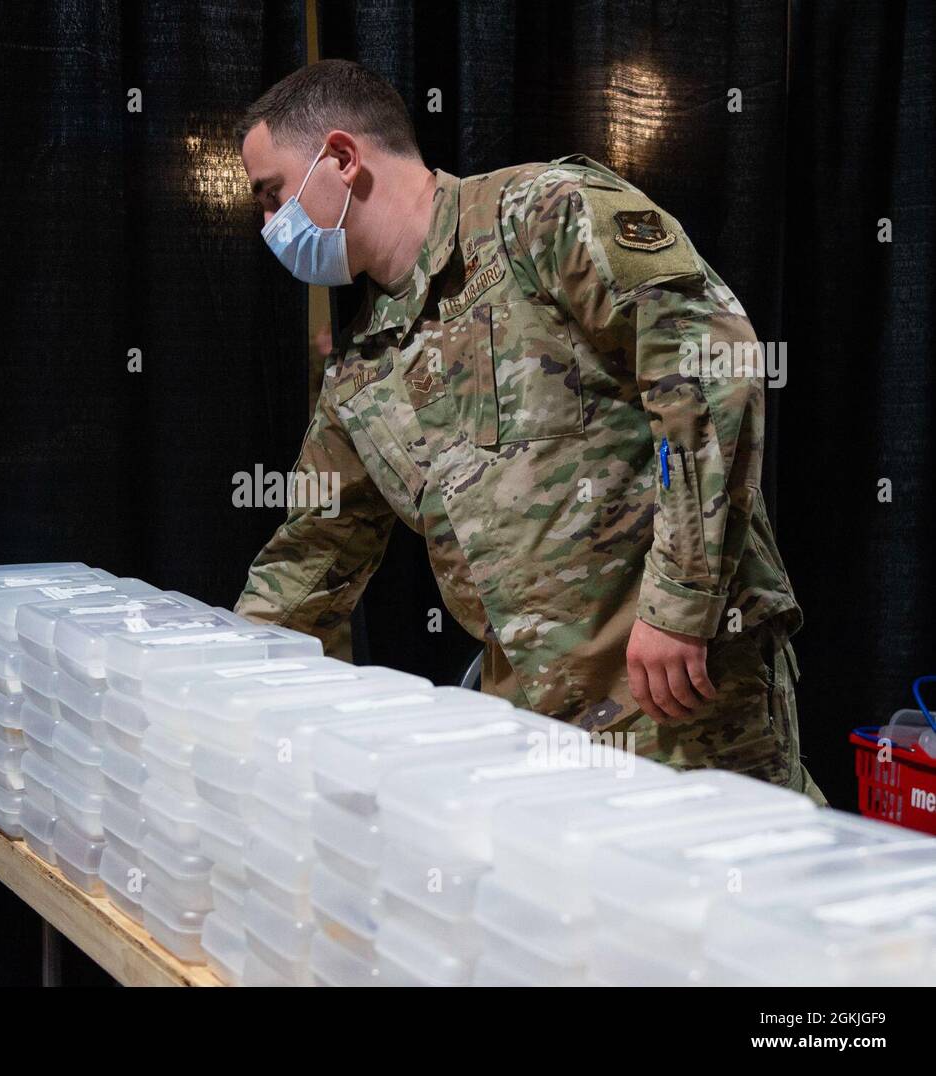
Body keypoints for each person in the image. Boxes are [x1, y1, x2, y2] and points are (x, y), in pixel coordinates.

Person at [231, 59, 825, 805]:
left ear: (343, 159)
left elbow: (708, 366)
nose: (269, 227)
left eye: (271, 195)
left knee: (738, 908)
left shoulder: (539, 216)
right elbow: (308, 561)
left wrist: (681, 602)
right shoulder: (364, 368)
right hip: (535, 727)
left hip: (679, 693)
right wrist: (219, 699)